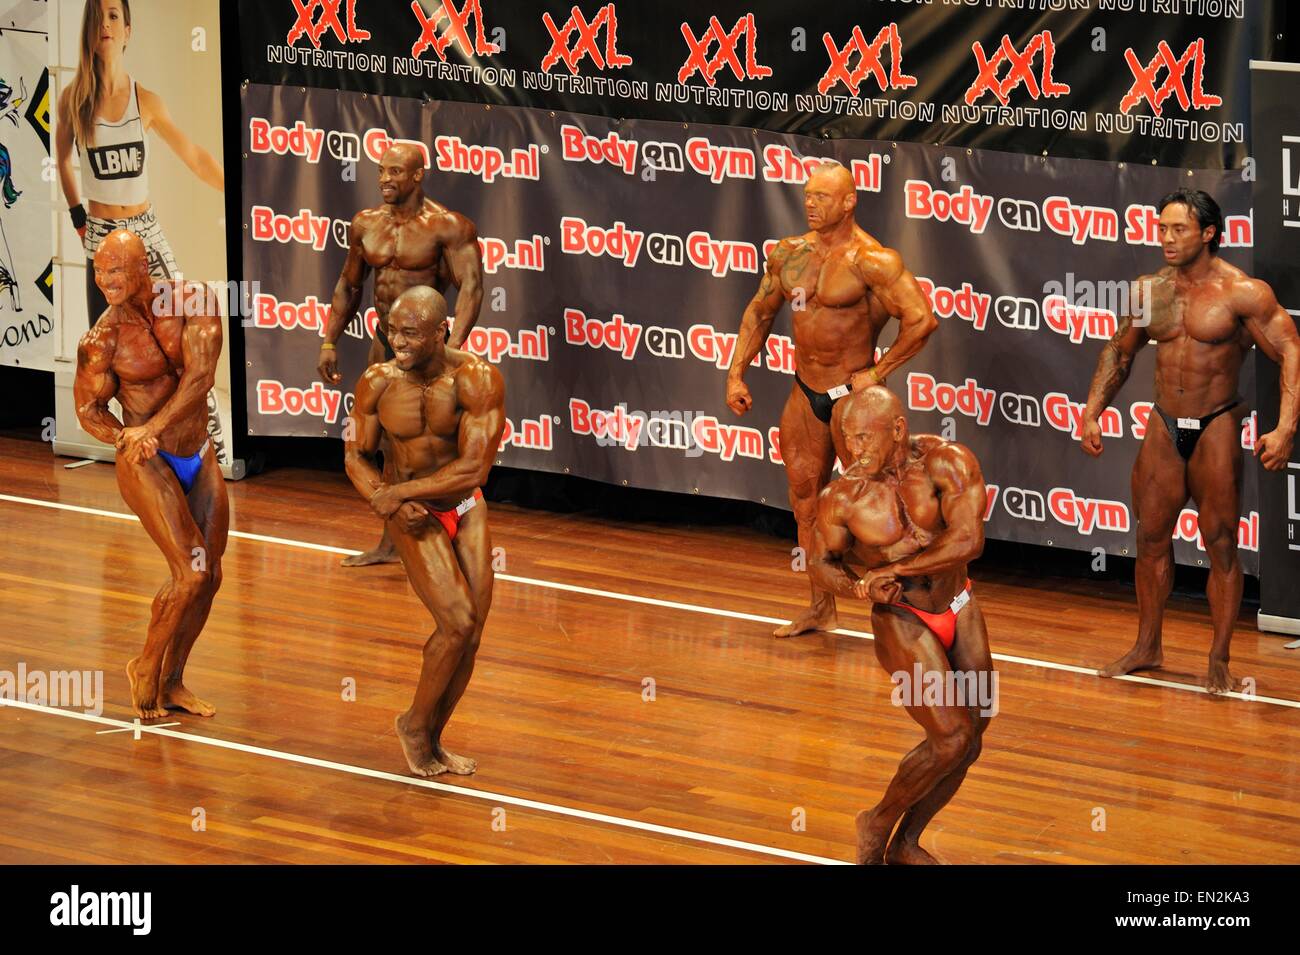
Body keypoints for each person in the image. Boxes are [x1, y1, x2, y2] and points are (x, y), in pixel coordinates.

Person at [1081, 189, 1300, 694]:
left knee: (1221, 543)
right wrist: (1092, 412)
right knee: (1150, 537)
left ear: (1208, 233)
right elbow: (1120, 351)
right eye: (1161, 228)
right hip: (1163, 423)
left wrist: (1285, 427)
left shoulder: (1242, 293)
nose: (1166, 238)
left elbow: (1289, 349)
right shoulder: (1149, 291)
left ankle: (1218, 659)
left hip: (1216, 424)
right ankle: (1147, 645)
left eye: (1178, 229)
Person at [726, 161, 938, 638]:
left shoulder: (873, 260)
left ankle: (911, 609)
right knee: (804, 503)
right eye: (808, 197)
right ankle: (821, 605)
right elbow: (759, 313)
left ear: (849, 201)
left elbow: (921, 319)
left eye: (822, 197)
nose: (811, 205)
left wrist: (878, 373)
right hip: (805, 391)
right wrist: (736, 373)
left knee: (883, 508)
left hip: (853, 399)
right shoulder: (789, 255)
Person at [810, 387, 993, 864]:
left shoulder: (946, 462)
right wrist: (859, 588)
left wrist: (894, 570)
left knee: (973, 735)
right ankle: (877, 822)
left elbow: (969, 540)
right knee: (951, 737)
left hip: (958, 603)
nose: (855, 450)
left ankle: (906, 842)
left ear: (897, 429)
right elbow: (819, 565)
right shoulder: (842, 497)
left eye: (866, 438)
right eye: (848, 439)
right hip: (902, 618)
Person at [55, 0, 227, 457]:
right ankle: (130, 441)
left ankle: (205, 433)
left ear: (128, 30)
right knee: (114, 344)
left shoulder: (144, 100)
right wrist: (78, 218)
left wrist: (236, 190)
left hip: (145, 232)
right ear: (89, 33)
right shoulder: (74, 98)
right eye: (98, 18)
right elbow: (62, 164)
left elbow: (192, 154)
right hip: (102, 238)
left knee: (179, 329)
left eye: (114, 16)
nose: (106, 25)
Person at [344, 286, 504, 777]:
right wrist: (385, 500)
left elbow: (475, 469)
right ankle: (414, 725)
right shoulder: (376, 382)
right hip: (413, 517)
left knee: (470, 635)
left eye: (411, 333)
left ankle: (432, 737)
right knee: (455, 622)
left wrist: (401, 494)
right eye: (392, 330)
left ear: (442, 331)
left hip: (464, 505)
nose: (398, 342)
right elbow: (355, 455)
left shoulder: (477, 379)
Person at [73, 229, 225, 720]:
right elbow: (89, 409)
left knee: (210, 575)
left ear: (144, 267)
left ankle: (174, 680)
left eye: (115, 270)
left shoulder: (193, 301)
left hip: (196, 453)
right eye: (99, 271)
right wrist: (124, 437)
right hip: (146, 463)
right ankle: (144, 666)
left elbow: (201, 375)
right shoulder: (102, 339)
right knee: (190, 572)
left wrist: (155, 427)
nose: (105, 280)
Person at [320, 142, 484, 566]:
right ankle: (393, 539)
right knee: (384, 442)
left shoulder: (447, 226)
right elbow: (349, 285)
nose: (385, 180)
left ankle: (449, 532)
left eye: (395, 172)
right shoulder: (365, 224)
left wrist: (451, 350)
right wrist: (329, 340)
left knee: (430, 442)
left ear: (417, 176)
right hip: (384, 342)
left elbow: (471, 287)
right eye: (380, 171)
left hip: (429, 349)